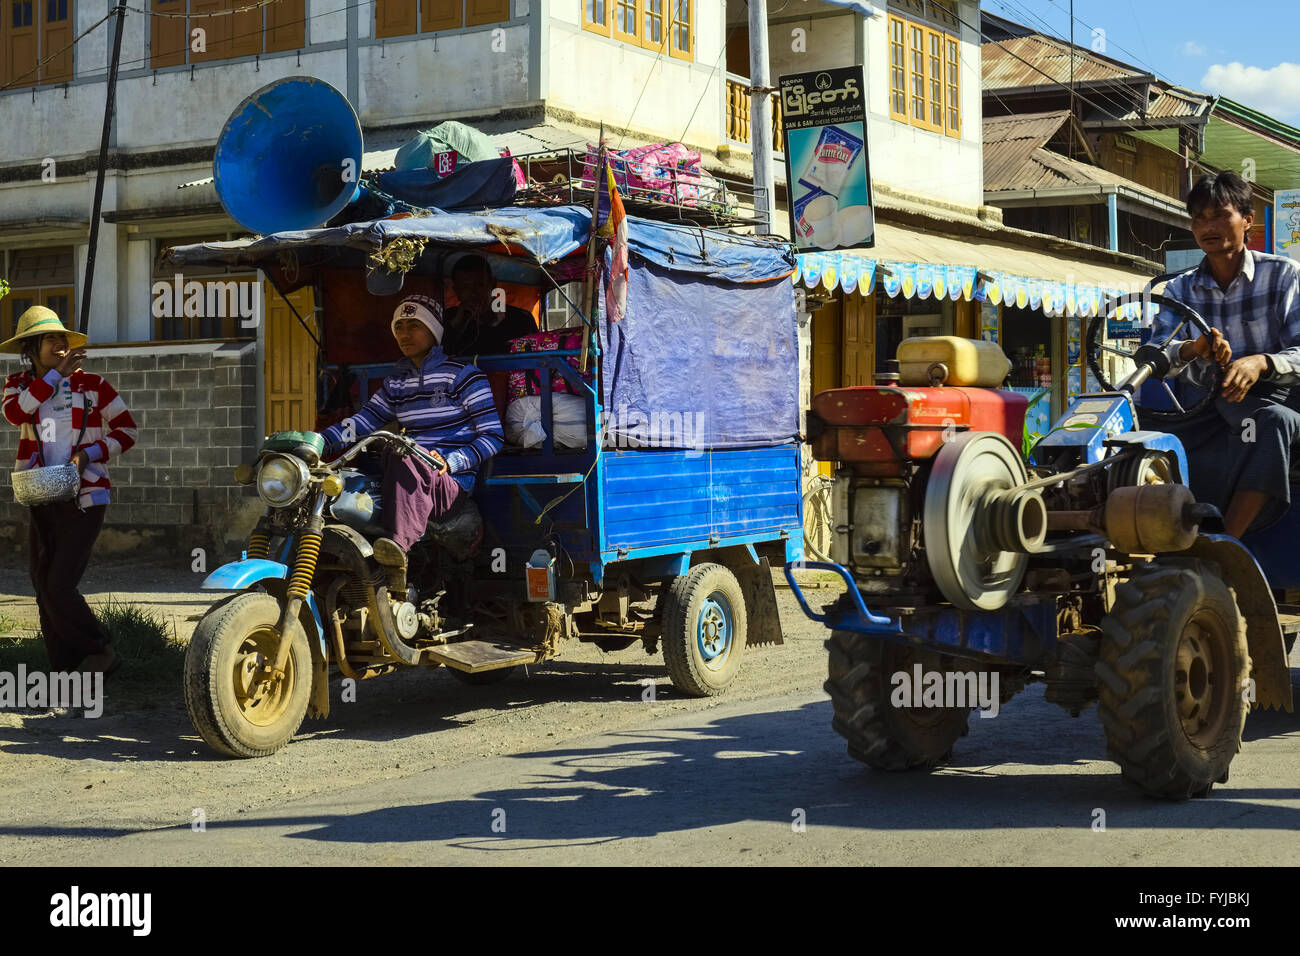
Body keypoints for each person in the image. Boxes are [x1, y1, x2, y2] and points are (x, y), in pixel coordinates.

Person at [1153, 171, 1300, 539]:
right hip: (1209, 405)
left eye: (1220, 215)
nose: (1208, 226)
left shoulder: (1284, 275)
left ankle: (1225, 544)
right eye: (1200, 218)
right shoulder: (1178, 289)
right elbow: (1156, 354)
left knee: (1271, 422)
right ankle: (1159, 532)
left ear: (1248, 220)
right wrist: (1193, 348)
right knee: (1142, 428)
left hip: (1283, 402)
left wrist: (1262, 363)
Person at [320, 294, 504, 575]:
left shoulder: (464, 375)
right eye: (399, 327)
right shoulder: (397, 381)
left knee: (401, 452)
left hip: (449, 483)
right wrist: (318, 441)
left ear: (433, 331)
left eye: (414, 326)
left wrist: (450, 461)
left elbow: (493, 436)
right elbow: (363, 422)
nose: (404, 334)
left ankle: (398, 547)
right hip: (409, 470)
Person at [2, 306, 137, 674]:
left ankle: (100, 649)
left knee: (60, 584)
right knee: (42, 584)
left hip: (86, 495)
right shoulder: (18, 385)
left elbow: (128, 431)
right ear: (30, 348)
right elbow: (17, 414)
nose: (59, 343)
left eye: (61, 337)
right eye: (49, 339)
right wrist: (54, 377)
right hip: (41, 494)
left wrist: (86, 454)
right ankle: (65, 667)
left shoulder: (92, 386)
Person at [440, 254, 538, 356]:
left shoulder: (521, 319)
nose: (473, 292)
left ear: (493, 284)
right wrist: (455, 327)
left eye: (480, 285)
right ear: (457, 291)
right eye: (465, 287)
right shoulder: (447, 319)